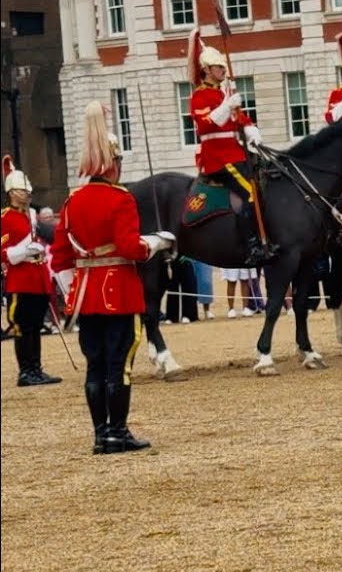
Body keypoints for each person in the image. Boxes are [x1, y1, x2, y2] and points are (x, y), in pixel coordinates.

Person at [50, 101, 174, 454]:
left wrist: (73, 291)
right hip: (118, 291)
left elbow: (60, 256)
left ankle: (100, 434)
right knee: (119, 366)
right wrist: (156, 242)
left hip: (87, 294)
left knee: (95, 366)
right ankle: (117, 432)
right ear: (112, 163)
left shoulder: (73, 201)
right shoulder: (120, 198)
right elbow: (129, 247)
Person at [187, 29, 278, 266]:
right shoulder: (199, 96)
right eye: (219, 67)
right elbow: (206, 124)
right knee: (250, 191)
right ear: (207, 69)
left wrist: (252, 131)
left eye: (223, 67)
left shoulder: (222, 94)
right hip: (218, 158)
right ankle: (252, 246)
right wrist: (227, 106)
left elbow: (240, 120)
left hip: (236, 153)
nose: (223, 70)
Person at [1, 155, 61, 386]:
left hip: (38, 278)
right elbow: (4, 254)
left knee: (35, 326)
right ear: (12, 192)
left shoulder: (31, 216)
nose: (27, 194)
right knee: (23, 327)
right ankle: (25, 371)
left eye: (27, 191)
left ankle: (36, 368)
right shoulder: (6, 218)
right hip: (20, 280)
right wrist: (25, 250)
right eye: (22, 191)